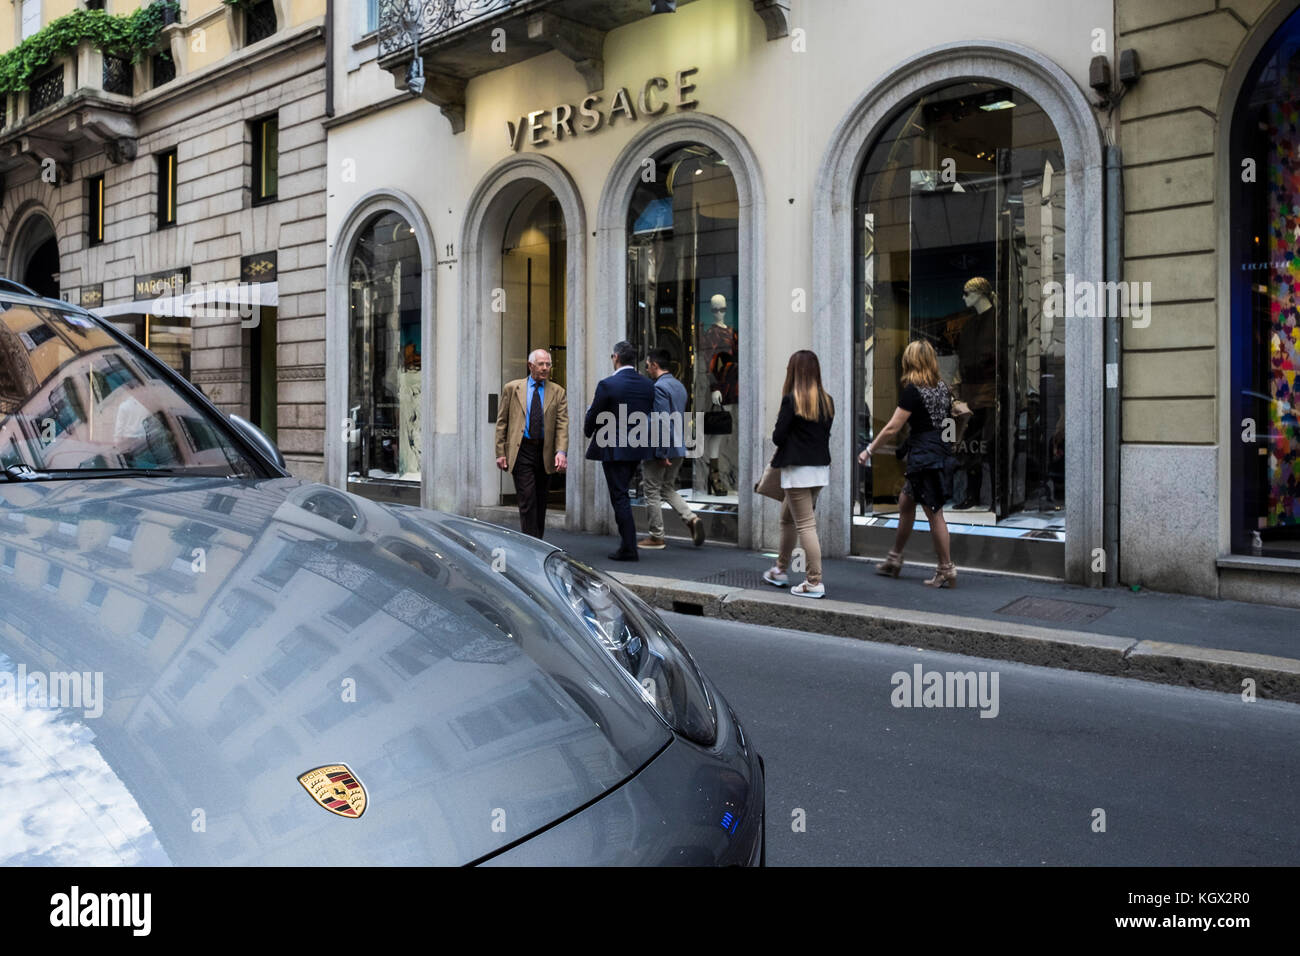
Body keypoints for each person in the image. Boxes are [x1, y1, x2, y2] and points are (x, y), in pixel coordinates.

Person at [859, 339, 958, 588]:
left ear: (910, 361)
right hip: (937, 455)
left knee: (935, 514)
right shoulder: (943, 388)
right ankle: (894, 558)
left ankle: (946, 569)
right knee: (906, 504)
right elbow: (949, 425)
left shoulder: (914, 390)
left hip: (924, 459)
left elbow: (893, 426)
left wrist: (870, 450)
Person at [762, 350, 834, 598]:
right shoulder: (827, 400)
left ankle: (814, 581)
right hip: (820, 470)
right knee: (787, 518)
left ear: (794, 372)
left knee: (805, 525)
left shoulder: (791, 400)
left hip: (797, 471)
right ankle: (780, 569)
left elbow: (778, 437)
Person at [585, 340, 655, 561]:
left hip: (614, 448)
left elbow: (594, 415)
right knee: (623, 492)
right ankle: (628, 544)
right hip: (637, 447)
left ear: (615, 357)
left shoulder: (608, 385)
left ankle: (628, 547)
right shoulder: (647, 385)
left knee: (620, 496)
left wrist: (589, 431)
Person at [495, 348, 568, 539]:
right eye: (541, 364)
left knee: (541, 499)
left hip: (545, 451)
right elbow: (502, 422)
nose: (545, 368)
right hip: (522, 450)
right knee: (527, 499)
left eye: (548, 364)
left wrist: (561, 452)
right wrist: (500, 452)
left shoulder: (558, 392)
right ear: (530, 365)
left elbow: (562, 424)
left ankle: (537, 540)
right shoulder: (512, 388)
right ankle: (531, 542)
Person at [638, 348, 706, 549]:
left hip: (663, 447)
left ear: (655, 365)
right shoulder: (679, 386)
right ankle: (691, 518)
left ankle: (656, 536)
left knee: (651, 490)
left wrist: (661, 452)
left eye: (648, 365)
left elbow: (661, 421)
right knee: (667, 487)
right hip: (678, 445)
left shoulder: (658, 387)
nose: (647, 368)